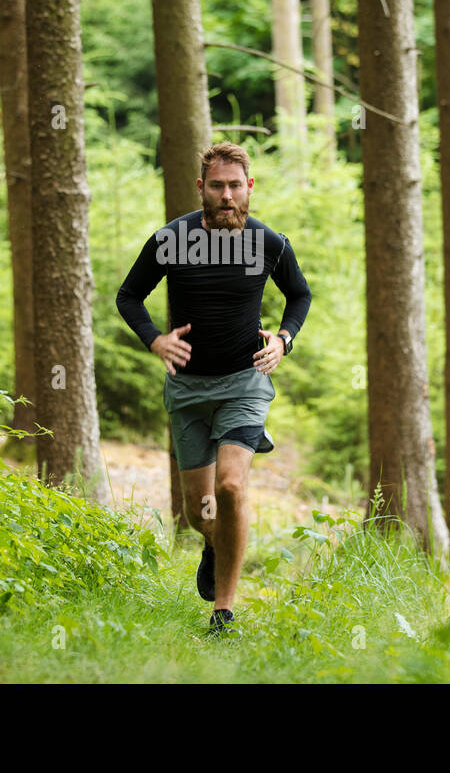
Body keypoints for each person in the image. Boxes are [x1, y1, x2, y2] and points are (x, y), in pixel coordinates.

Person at [115, 142, 311, 636]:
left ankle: (223, 610)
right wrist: (155, 339)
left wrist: (284, 340)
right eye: (218, 186)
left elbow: (300, 295)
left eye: (236, 185)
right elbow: (129, 295)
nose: (227, 196)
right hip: (188, 390)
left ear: (250, 187)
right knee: (200, 511)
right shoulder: (171, 240)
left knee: (231, 485)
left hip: (245, 382)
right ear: (202, 187)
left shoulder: (269, 243)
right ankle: (213, 542)